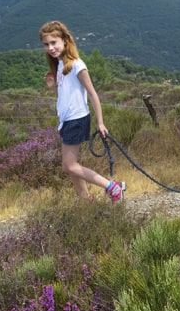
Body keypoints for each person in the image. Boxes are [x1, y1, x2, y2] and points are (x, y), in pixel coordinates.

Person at [39, 20, 126, 202]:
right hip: (67, 120)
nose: (50, 48)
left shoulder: (77, 65)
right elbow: (65, 95)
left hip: (77, 120)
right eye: (46, 44)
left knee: (69, 166)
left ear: (64, 40)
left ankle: (112, 187)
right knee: (71, 165)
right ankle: (86, 200)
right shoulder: (61, 65)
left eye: (54, 43)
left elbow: (93, 94)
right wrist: (52, 86)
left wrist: (101, 123)